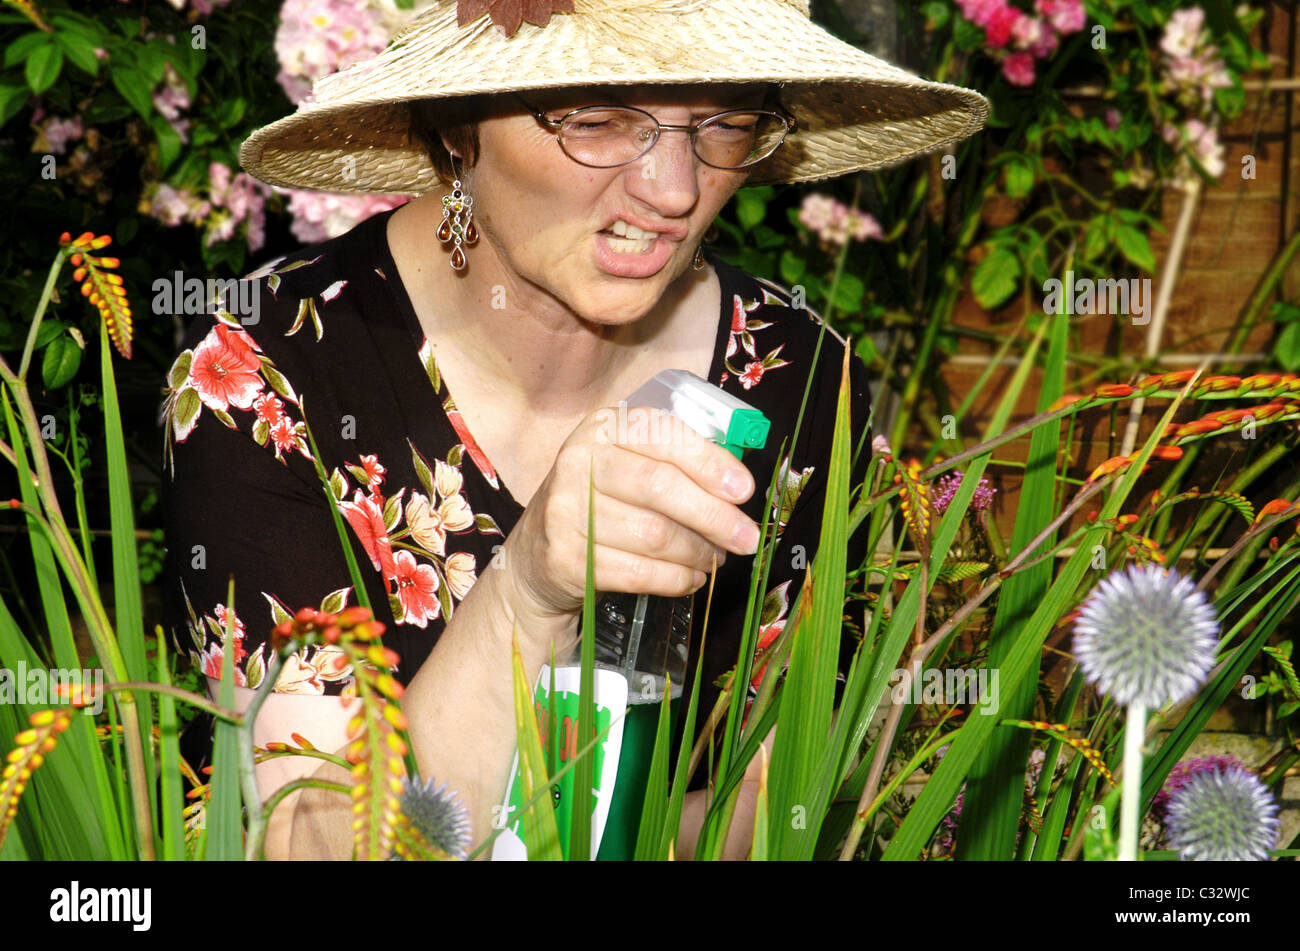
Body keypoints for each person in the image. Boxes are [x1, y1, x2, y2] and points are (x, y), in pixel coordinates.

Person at [161, 0, 988, 860]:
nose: (674, 188)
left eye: (727, 123)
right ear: (456, 126)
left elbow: (791, 782)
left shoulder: (799, 378)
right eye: (595, 120)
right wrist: (527, 590)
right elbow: (313, 844)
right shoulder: (266, 379)